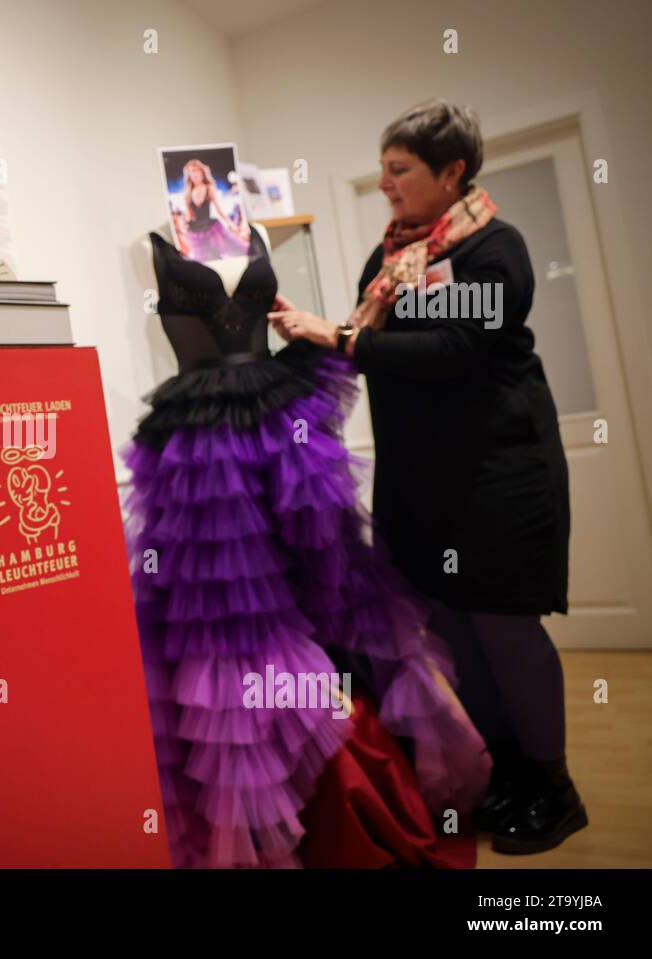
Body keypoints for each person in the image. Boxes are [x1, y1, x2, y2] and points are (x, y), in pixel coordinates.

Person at [270, 99, 584, 855]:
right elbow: (364, 343)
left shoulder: (493, 251)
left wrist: (340, 335)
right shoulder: (389, 261)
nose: (385, 183)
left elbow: (454, 349)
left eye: (400, 169)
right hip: (422, 482)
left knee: (505, 630)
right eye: (382, 169)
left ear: (452, 172)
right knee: (450, 632)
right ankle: (504, 769)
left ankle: (553, 785)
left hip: (498, 479)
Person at [125, 221, 489, 868]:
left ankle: (343, 744)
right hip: (202, 438)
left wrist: (368, 311)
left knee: (320, 563)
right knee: (233, 606)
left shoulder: (259, 232)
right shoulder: (157, 242)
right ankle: (263, 811)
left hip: (276, 406)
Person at [179, 158, 249, 260]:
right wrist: (183, 228)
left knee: (235, 248)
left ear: (201, 172)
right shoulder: (188, 193)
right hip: (195, 232)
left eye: (196, 170)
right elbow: (189, 216)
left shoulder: (209, 188)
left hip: (211, 228)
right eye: (191, 171)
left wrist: (231, 224)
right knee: (203, 260)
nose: (194, 174)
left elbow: (218, 209)